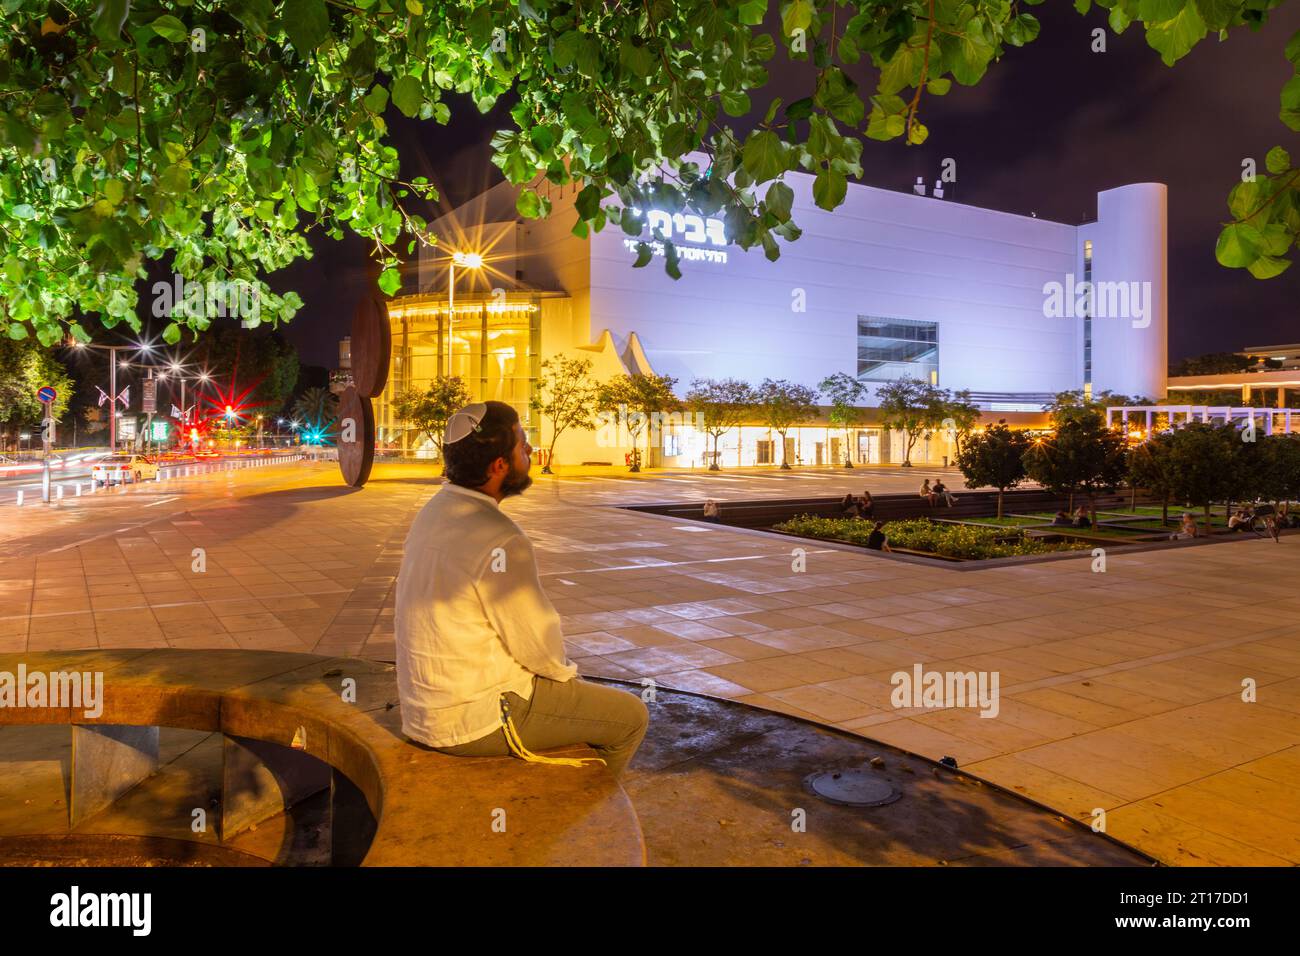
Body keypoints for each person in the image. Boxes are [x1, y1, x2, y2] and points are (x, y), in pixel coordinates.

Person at [394, 401, 649, 778]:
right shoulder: (499, 537)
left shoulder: (434, 510)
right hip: (475, 717)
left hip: (425, 709)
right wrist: (565, 681)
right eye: (522, 445)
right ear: (499, 466)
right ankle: (590, 816)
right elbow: (537, 642)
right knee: (630, 715)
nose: (530, 451)